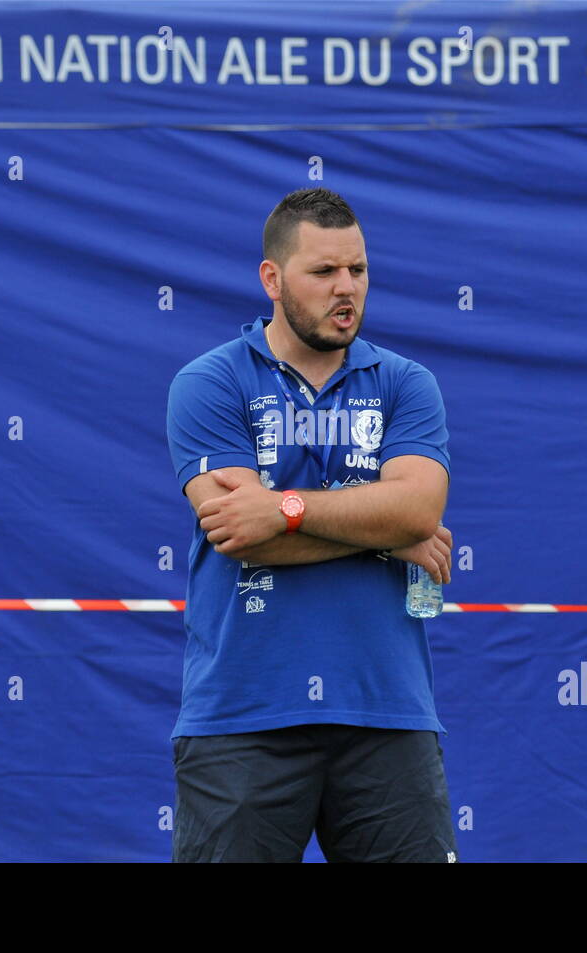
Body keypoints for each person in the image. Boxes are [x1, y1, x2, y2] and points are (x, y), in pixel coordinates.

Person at [163, 187, 458, 862]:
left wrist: (287, 507)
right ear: (271, 278)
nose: (346, 288)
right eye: (323, 272)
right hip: (242, 719)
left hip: (387, 713)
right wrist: (381, 529)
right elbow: (240, 533)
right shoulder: (209, 382)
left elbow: (418, 508)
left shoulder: (406, 382)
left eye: (357, 270)